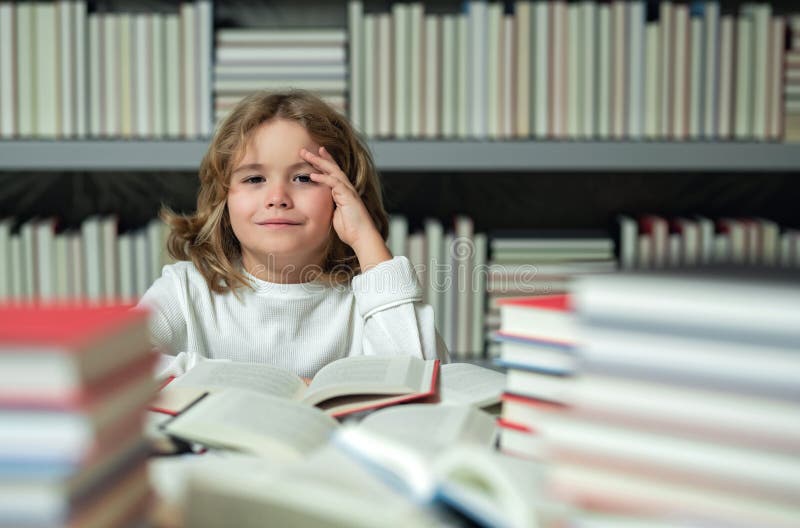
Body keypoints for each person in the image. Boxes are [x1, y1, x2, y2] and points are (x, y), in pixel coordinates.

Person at [137, 90, 449, 378]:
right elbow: (115, 368)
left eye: (303, 177)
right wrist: (260, 383)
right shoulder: (185, 289)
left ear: (345, 195)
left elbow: (423, 384)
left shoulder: (366, 298)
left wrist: (366, 239)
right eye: (255, 178)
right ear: (224, 198)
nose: (277, 197)